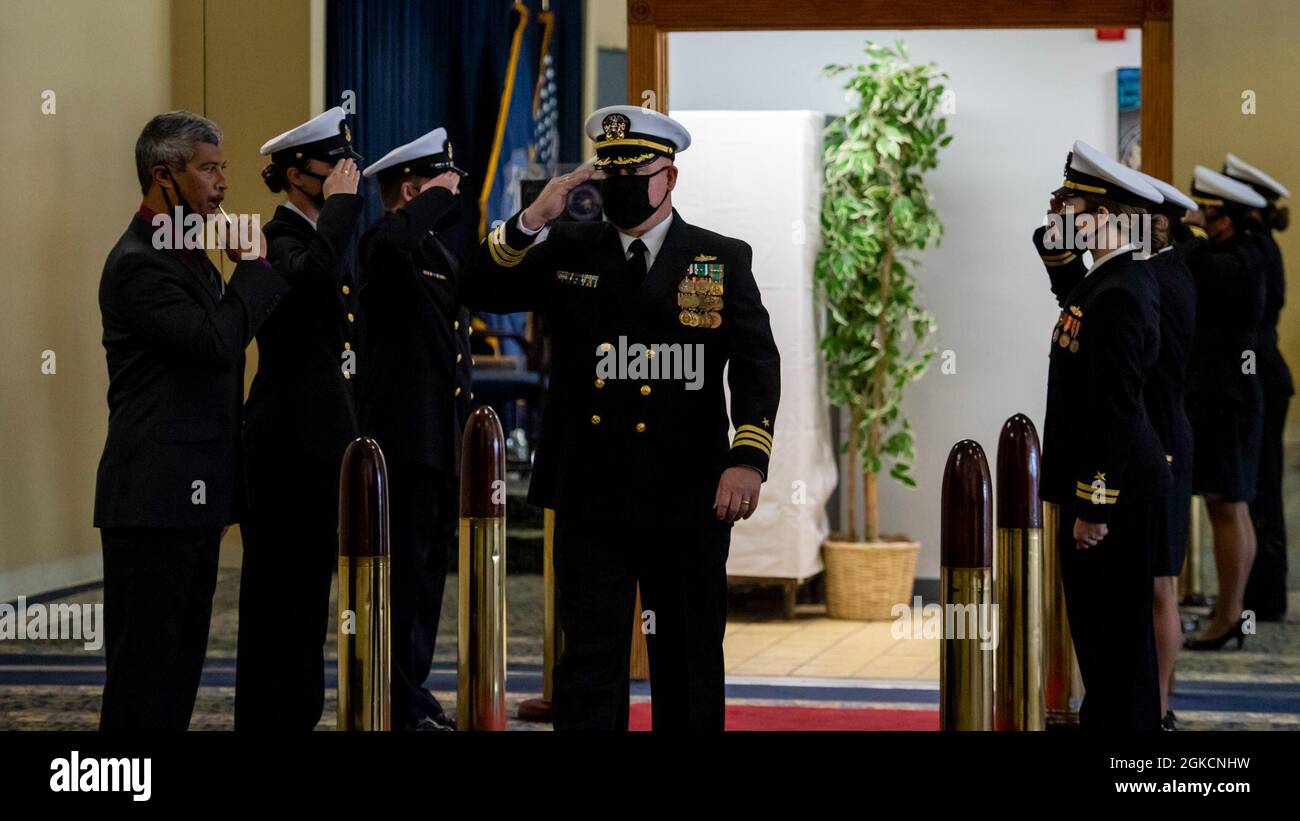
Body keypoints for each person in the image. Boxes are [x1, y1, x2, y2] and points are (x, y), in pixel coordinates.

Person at [463, 105, 781, 731]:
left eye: (636, 172)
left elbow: (755, 364)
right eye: (609, 174)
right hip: (592, 490)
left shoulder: (718, 258)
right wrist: (530, 221)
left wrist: (747, 458)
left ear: (670, 178)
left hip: (688, 491)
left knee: (687, 657)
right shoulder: (568, 249)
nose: (621, 186)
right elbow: (480, 288)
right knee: (589, 663)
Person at [95, 111, 288, 731]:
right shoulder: (138, 263)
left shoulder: (189, 255)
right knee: (144, 678)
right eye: (207, 169)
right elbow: (215, 343)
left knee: (178, 671)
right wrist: (254, 267)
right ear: (163, 177)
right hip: (153, 500)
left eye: (223, 167)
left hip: (192, 498)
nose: (223, 183)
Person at [234, 107, 366, 730]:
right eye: (332, 166)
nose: (347, 175)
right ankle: (269, 720)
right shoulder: (272, 242)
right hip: (283, 453)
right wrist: (340, 211)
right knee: (278, 606)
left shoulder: (320, 242)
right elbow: (313, 284)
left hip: (321, 452)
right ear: (294, 174)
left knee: (309, 606)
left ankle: (296, 716)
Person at [1036, 140, 1168, 731]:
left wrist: (1093, 502)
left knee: (1115, 650)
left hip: (1112, 496)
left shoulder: (1121, 293)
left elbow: (1112, 411)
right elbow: (1067, 290)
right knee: (1103, 647)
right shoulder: (1107, 281)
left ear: (1109, 217)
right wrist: (1055, 229)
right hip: (1109, 489)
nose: (1063, 214)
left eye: (1074, 204)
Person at [357, 127, 470, 731]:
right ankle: (397, 699)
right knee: (398, 581)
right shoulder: (385, 244)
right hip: (399, 444)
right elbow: (391, 245)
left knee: (426, 579)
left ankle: (413, 691)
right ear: (410, 188)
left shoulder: (434, 252)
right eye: (442, 184)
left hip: (438, 442)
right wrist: (434, 199)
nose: (453, 197)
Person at [1183, 166, 1268, 651]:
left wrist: (1182, 232)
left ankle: (1230, 613)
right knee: (1231, 506)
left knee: (1228, 506)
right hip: (1230, 394)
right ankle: (1229, 609)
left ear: (1227, 221)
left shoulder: (1235, 262)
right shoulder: (1242, 253)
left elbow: (1200, 266)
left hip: (1227, 397)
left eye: (1208, 215)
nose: (1201, 224)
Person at [1223, 154, 1292, 622]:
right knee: (1257, 489)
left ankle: (1262, 598)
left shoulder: (1255, 251)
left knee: (1259, 489)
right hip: (1264, 374)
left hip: (1259, 377)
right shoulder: (1261, 246)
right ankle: (1258, 596)